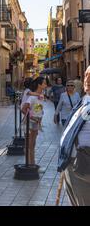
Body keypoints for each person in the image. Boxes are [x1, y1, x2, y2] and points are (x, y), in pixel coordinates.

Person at [58, 66, 90, 206]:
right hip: (70, 165)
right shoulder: (84, 100)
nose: (87, 79)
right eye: (86, 75)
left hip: (83, 167)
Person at [22, 77, 47, 165]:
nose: (46, 85)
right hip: (29, 123)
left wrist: (39, 119)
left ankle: (32, 164)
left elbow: (37, 110)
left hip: (36, 123)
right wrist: (33, 118)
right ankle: (29, 165)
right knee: (29, 145)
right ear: (39, 85)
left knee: (33, 145)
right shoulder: (32, 97)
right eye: (44, 83)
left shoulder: (40, 96)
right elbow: (23, 109)